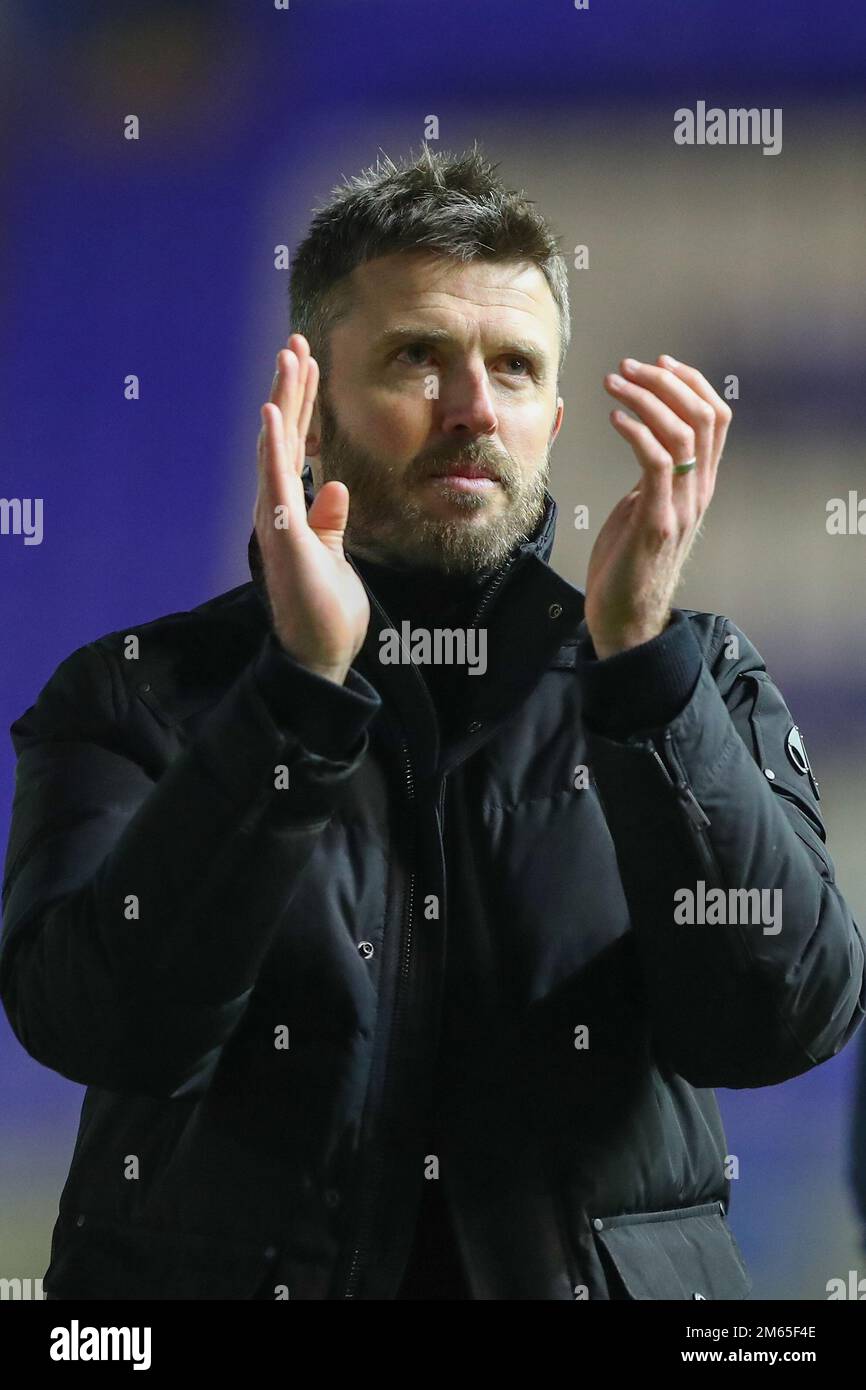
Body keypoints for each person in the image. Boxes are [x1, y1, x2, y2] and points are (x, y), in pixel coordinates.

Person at [3, 145, 863, 1301]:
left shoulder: (687, 673)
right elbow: (105, 1026)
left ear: (555, 418)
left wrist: (639, 673)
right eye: (417, 357)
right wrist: (297, 696)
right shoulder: (137, 690)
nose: (471, 409)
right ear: (305, 407)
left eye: (512, 369)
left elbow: (779, 1023)